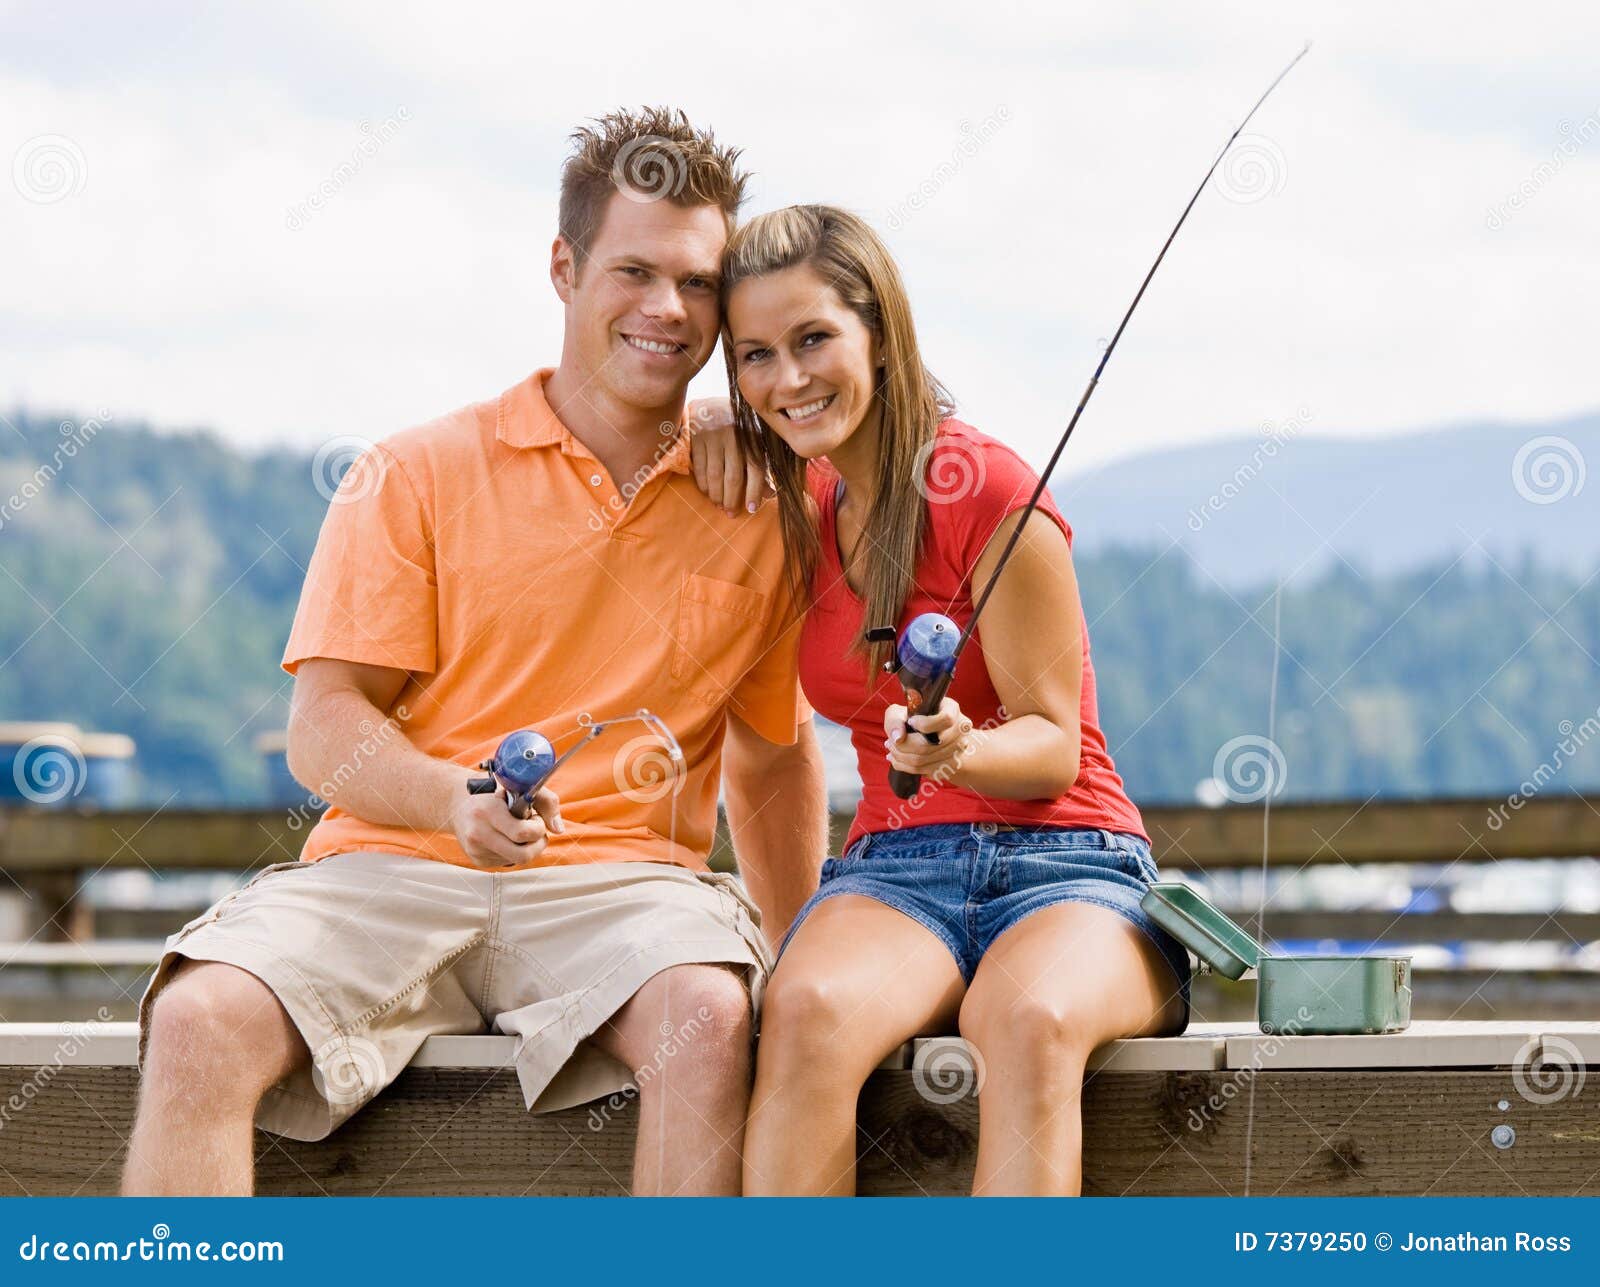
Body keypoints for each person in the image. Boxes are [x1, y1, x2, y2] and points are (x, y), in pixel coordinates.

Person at [122, 110, 828, 1198]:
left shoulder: (763, 499)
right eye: (633, 271)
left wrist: (802, 956)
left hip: (627, 894)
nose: (667, 311)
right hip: (389, 868)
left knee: (711, 1010)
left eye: (697, 285)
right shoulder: (414, 471)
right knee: (200, 1015)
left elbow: (774, 763)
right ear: (563, 267)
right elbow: (326, 728)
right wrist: (453, 801)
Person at [694, 204, 1192, 1196]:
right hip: (895, 872)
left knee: (1025, 1019)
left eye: (812, 340)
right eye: (753, 356)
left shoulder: (989, 489)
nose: (785, 380)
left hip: (1070, 864)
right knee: (803, 1013)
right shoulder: (800, 507)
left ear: (879, 332)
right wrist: (703, 419)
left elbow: (1054, 746)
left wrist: (958, 750)